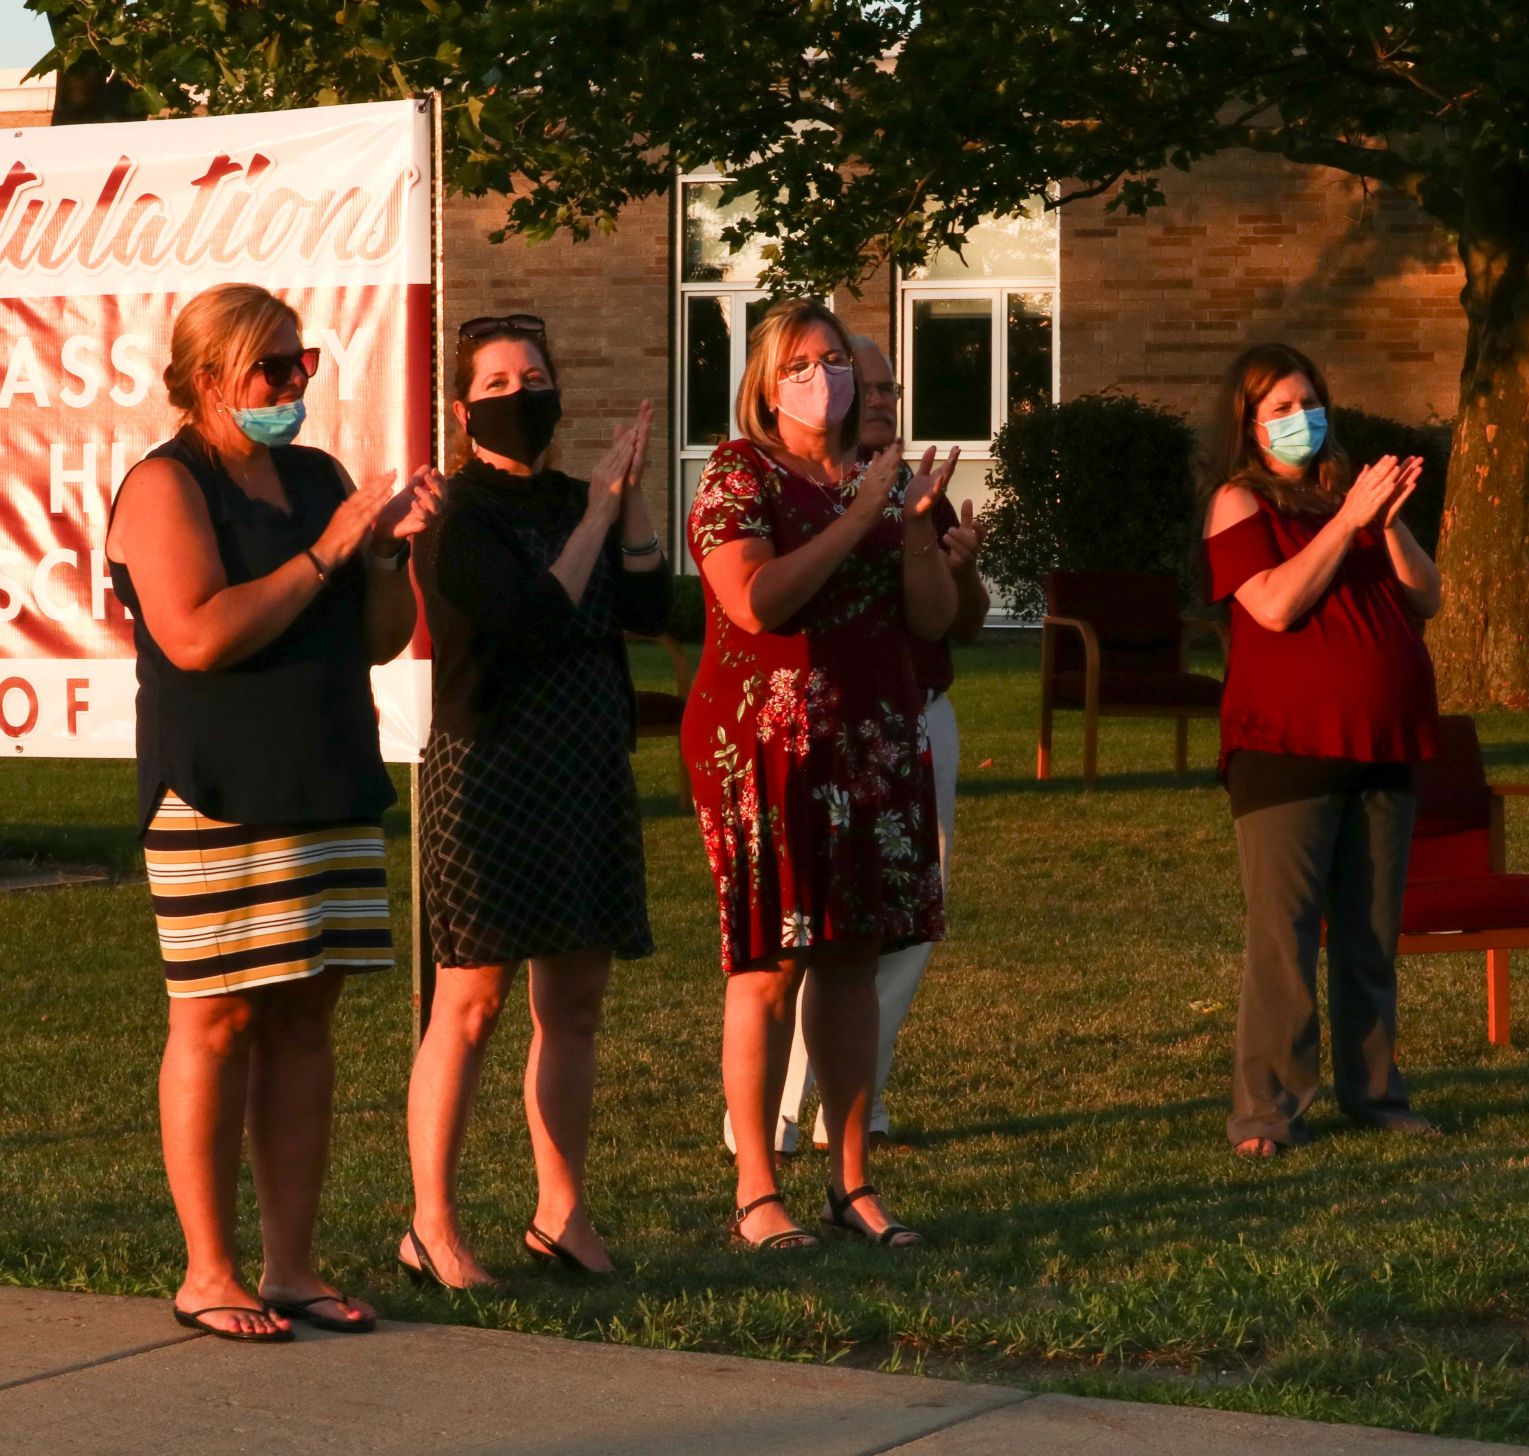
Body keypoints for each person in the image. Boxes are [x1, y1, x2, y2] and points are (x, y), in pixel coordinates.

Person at [107, 281, 442, 1341]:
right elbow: (198, 633)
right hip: (217, 788)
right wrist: (328, 551)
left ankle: (290, 1266)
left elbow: (382, 637)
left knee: (306, 1020)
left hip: (327, 777)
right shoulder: (167, 485)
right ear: (209, 378)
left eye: (304, 365)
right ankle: (210, 1270)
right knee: (217, 1020)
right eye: (273, 368)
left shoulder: (314, 478)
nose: (295, 384)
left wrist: (388, 551)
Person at [402, 313, 671, 1288]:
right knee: (470, 1001)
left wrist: (628, 505)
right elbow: (522, 623)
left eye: (535, 376)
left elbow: (649, 610)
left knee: (576, 1002)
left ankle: (561, 1210)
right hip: (490, 770)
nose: (523, 396)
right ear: (463, 405)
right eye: (500, 382)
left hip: (585, 764)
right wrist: (596, 520)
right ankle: (429, 1220)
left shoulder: (577, 496)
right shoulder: (456, 512)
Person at [686, 299, 953, 1251]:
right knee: (772, 963)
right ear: (764, 380)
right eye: (798, 361)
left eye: (834, 359)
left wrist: (915, 527)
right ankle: (759, 1189)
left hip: (875, 737)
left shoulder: (878, 473)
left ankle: (852, 1181)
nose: (822, 377)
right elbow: (758, 601)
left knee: (852, 957)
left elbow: (931, 619)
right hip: (770, 746)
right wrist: (861, 515)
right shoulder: (739, 473)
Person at [720, 336, 988, 1162]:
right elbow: (758, 601)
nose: (872, 398)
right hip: (801, 735)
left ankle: (856, 1114)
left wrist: (958, 566)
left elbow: (952, 623)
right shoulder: (768, 480)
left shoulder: (915, 489)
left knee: (890, 938)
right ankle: (772, 1120)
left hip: (904, 722)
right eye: (856, 383)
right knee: (795, 944)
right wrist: (867, 513)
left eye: (882, 386)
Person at [1198, 343, 1443, 1159]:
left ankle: (1375, 1095)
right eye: (1279, 408)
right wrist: (1345, 523)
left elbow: (1425, 596)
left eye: (1309, 401)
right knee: (1287, 935)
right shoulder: (1239, 504)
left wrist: (1388, 518)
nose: (1301, 418)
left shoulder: (1352, 502)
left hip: (1384, 740)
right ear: (1248, 425)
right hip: (1288, 748)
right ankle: (1267, 1112)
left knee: (1371, 934)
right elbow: (1272, 606)